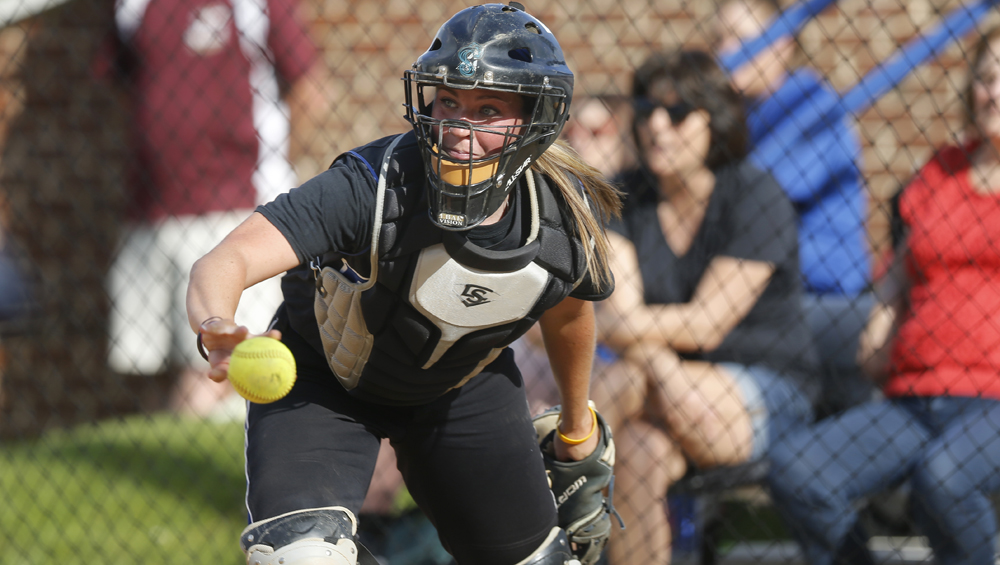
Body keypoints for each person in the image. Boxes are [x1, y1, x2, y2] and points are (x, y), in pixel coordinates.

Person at [186, 4, 624, 565]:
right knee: (299, 559)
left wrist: (576, 424)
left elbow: (567, 315)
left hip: (460, 386)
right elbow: (228, 257)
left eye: (487, 110)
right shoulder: (374, 185)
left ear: (534, 121)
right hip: (324, 381)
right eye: (447, 102)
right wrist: (217, 324)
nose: (457, 129)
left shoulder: (560, 220)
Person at [766, 26, 1000, 565]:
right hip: (917, 393)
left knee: (943, 482)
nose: (991, 91)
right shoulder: (942, 171)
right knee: (799, 471)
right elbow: (905, 262)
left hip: (993, 398)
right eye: (985, 78)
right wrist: (883, 313)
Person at [593, 50, 818, 564]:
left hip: (763, 381)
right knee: (639, 453)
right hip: (653, 388)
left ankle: (550, 468)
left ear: (713, 119)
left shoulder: (756, 195)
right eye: (647, 109)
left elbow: (706, 324)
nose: (656, 125)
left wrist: (642, 345)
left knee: (646, 396)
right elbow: (623, 313)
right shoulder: (623, 194)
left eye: (675, 113)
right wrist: (659, 360)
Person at [95, 0, 324, 415]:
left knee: (230, 363)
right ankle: (163, 450)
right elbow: (125, 86)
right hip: (151, 210)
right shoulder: (132, 6)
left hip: (238, 206)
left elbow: (308, 86)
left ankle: (208, 461)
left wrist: (278, 167)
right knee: (151, 365)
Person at [714, 0, 875, 417]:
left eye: (741, 40)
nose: (726, 52)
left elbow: (748, 203)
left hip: (824, 297)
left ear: (782, 44)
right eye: (720, 39)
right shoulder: (741, 115)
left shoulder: (807, 103)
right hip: (757, 293)